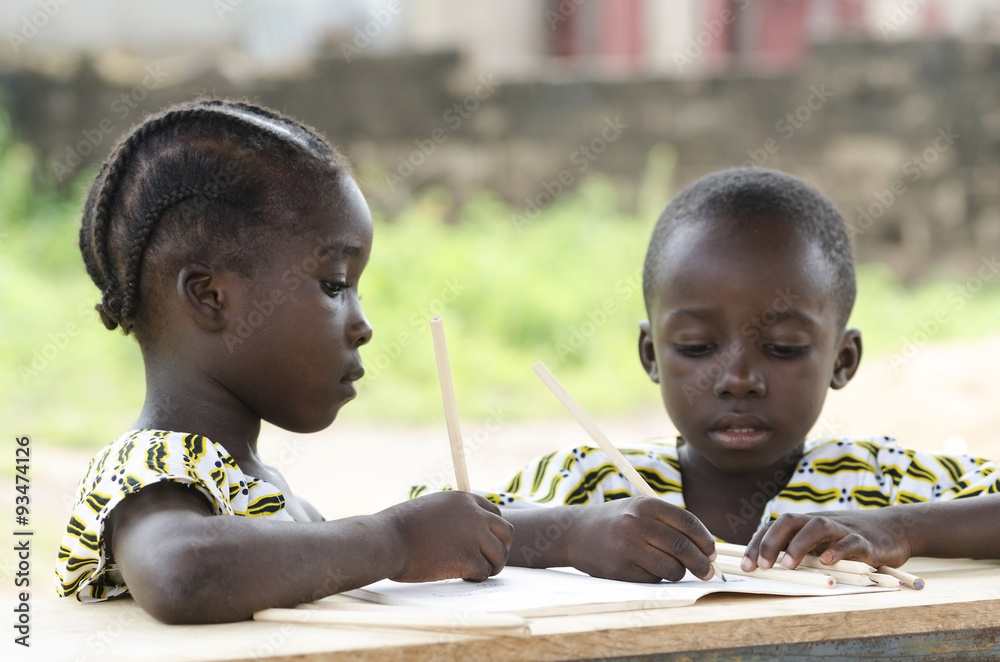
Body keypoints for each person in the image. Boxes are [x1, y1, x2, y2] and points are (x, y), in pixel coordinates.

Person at [411, 167, 1000, 582]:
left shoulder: (880, 483)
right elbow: (427, 523)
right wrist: (572, 534)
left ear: (842, 360)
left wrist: (900, 530)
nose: (738, 377)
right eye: (696, 345)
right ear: (651, 354)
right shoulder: (595, 484)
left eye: (783, 347)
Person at [55, 99, 513, 624]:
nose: (362, 325)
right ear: (211, 297)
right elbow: (185, 573)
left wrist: (554, 536)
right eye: (335, 285)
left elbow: (334, 554)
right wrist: (396, 538)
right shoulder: (144, 473)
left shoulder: (266, 494)